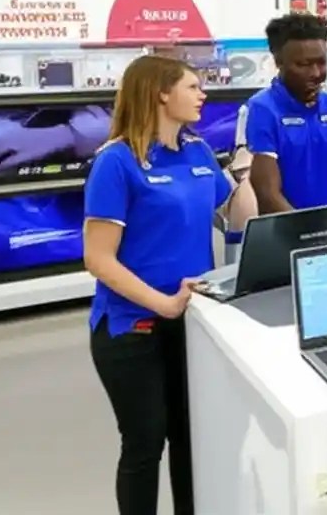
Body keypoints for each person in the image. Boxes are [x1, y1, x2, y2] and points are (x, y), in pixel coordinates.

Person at [84, 55, 234, 515]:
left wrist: (249, 169)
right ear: (160, 94)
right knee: (145, 444)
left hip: (190, 324)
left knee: (190, 441)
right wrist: (164, 305)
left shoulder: (198, 151)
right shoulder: (116, 162)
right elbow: (99, 259)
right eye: (192, 86)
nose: (202, 94)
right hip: (133, 329)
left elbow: (235, 216)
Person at [246, 13, 327, 214]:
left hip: (322, 229)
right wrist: (307, 234)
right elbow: (267, 193)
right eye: (303, 65)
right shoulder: (260, 110)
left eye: (321, 62)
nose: (315, 73)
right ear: (278, 61)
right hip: (278, 233)